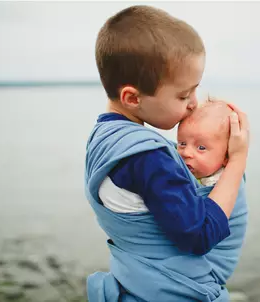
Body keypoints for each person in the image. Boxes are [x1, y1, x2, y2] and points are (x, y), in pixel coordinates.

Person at [84, 5, 249, 301]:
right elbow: (200, 235)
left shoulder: (104, 136)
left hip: (135, 282)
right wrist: (236, 159)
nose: (193, 104)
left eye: (194, 92)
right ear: (132, 97)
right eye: (183, 95)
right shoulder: (148, 159)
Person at [177, 99, 233, 187]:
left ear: (226, 157)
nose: (186, 153)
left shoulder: (222, 184)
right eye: (182, 144)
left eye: (201, 148)